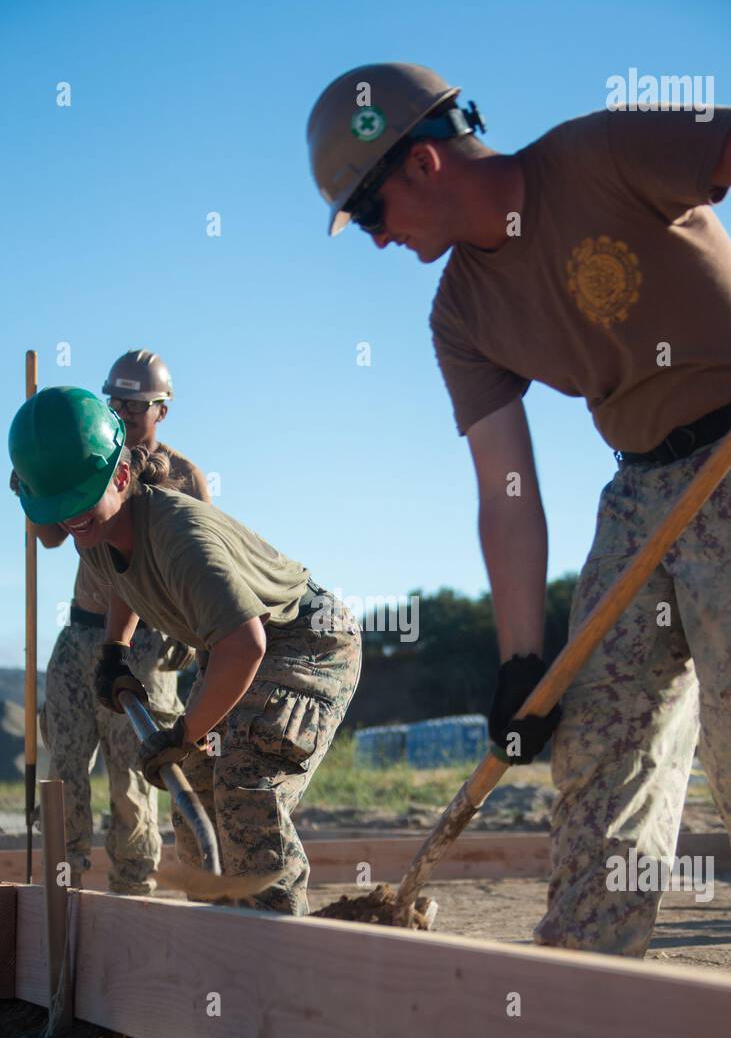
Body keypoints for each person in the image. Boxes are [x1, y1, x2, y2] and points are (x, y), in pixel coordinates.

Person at [307, 63, 731, 957]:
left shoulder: (605, 151)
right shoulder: (459, 314)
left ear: (421, 163)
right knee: (596, 742)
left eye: (371, 213)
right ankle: (585, 980)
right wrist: (520, 662)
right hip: (640, 490)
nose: (376, 241)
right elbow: (506, 490)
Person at [9, 387, 361, 914]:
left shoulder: (182, 535)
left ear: (122, 478)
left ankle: (280, 940)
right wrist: (114, 651)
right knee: (194, 782)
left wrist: (182, 732)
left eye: (79, 503)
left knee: (247, 778)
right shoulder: (97, 531)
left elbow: (246, 645)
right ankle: (216, 933)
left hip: (306, 640)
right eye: (58, 510)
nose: (70, 520)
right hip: (240, 647)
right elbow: (127, 584)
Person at [17, 351, 210, 894]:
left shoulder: (185, 478)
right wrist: (35, 486)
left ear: (162, 410)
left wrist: (187, 641)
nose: (122, 412)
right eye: (115, 402)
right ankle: (63, 888)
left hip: (146, 645)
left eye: (135, 404)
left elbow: (199, 564)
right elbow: (52, 536)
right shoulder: (86, 457)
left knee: (131, 781)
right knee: (64, 769)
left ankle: (133, 894)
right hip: (82, 633)